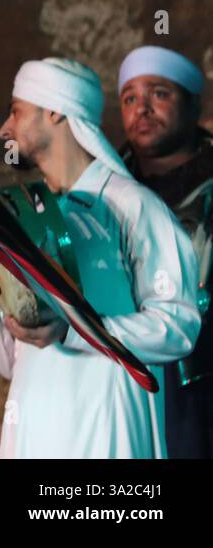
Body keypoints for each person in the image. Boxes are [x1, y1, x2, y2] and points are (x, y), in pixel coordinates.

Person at [0, 57, 200, 457]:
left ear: (55, 109)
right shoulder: (30, 222)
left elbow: (178, 325)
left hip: (107, 428)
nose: (5, 129)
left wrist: (76, 330)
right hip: (34, 428)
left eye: (16, 111)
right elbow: (11, 361)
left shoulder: (132, 206)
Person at [116, 45, 212, 458]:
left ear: (193, 106)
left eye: (159, 93)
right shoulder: (102, 193)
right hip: (125, 384)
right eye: (130, 97)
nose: (143, 108)